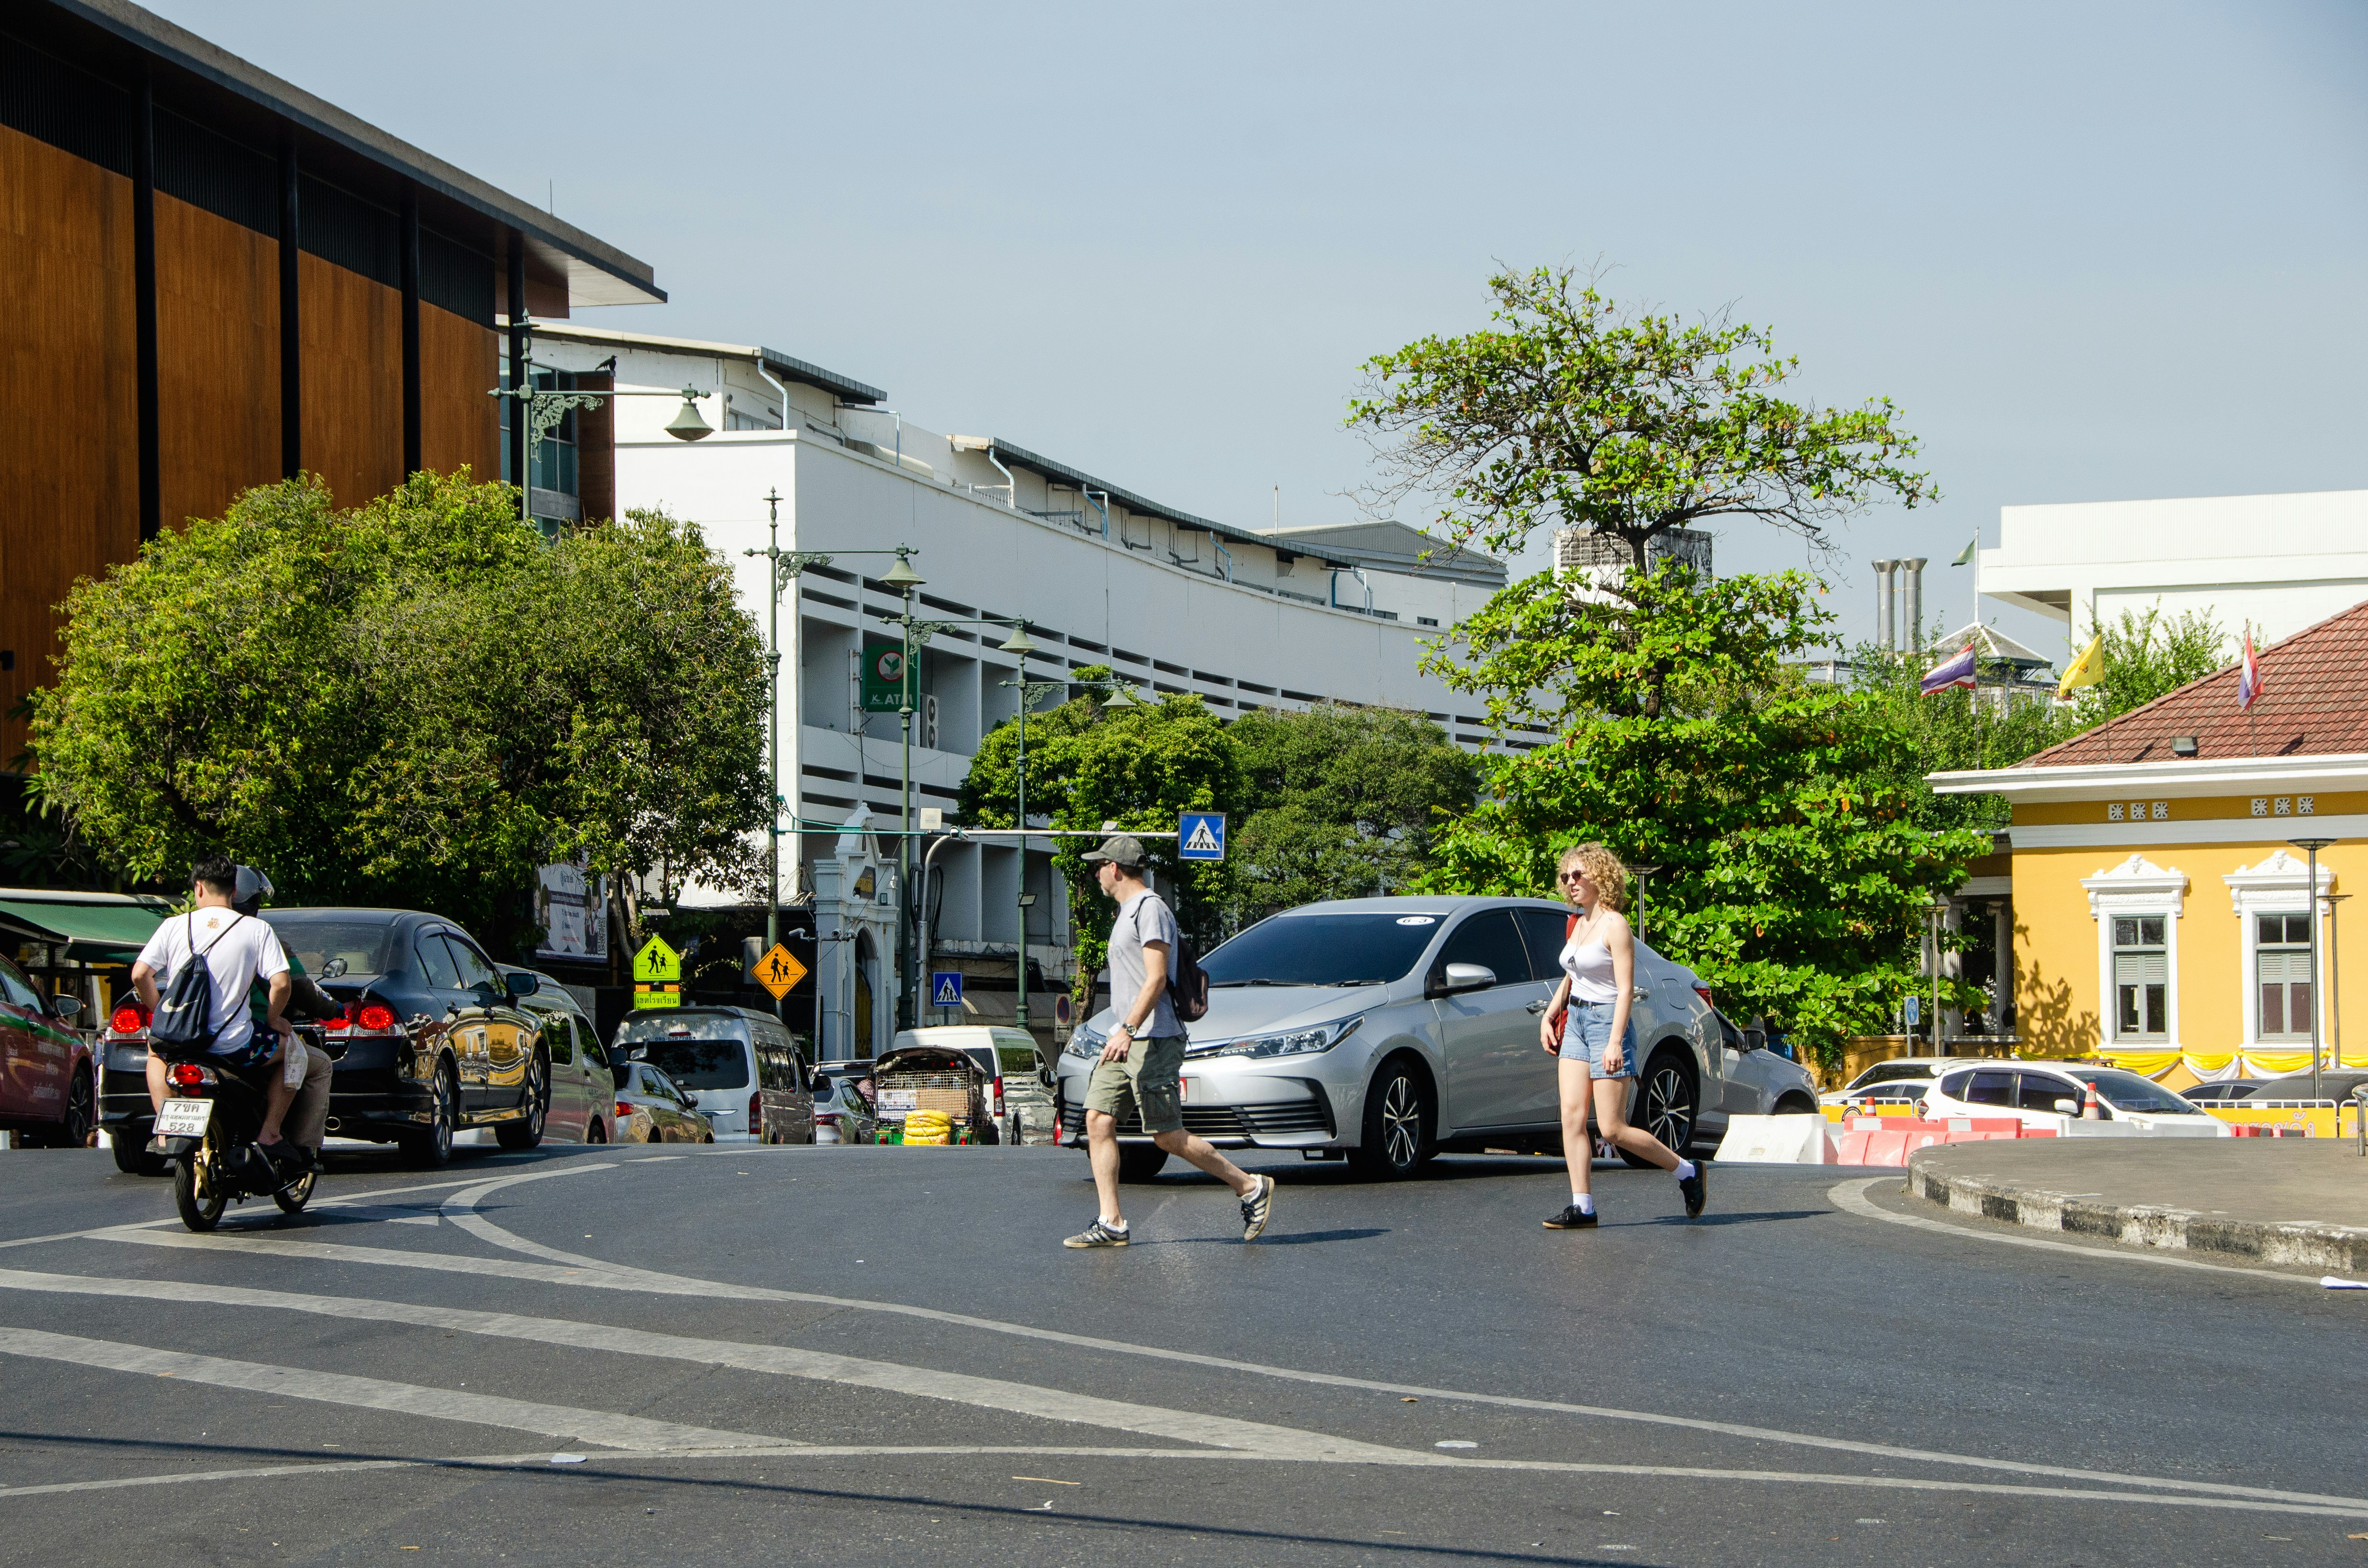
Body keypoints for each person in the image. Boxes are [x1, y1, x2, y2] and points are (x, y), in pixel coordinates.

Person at [1064, 834, 1275, 1248]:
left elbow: (1157, 978)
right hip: (1126, 1038)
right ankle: (1112, 1223)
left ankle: (1251, 1187)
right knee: (1098, 1120)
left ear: (1115, 868)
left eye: (1098, 866)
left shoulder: (1150, 909)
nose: (1095, 875)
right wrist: (1120, 1030)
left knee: (1166, 1135)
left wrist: (1128, 1030)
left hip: (1153, 1038)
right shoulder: (1125, 913)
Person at [1537, 843, 1704, 1228]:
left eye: (1578, 875)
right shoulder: (1578, 923)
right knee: (1572, 1117)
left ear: (1601, 876)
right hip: (1576, 1023)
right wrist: (1551, 1013)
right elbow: (1575, 973)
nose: (1571, 882)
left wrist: (1615, 1041)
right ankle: (1583, 1206)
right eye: (1566, 876)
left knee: (1612, 1128)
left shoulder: (1616, 925)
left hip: (1608, 1024)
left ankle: (1688, 1172)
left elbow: (1626, 989)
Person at [133, 855, 298, 1165]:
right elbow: (282, 983)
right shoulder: (256, 929)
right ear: (235, 891)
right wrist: (273, 1019)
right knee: (295, 1054)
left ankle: (166, 1132)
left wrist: (162, 1014)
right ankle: (271, 1133)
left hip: (181, 1041)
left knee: (155, 1055)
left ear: (198, 889)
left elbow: (140, 975)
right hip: (237, 1046)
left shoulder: (173, 926)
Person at [230, 866, 336, 1173]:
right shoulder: (261, 935)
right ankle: (288, 1140)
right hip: (243, 1038)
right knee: (313, 1062)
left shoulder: (184, 930)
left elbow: (143, 975)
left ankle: (163, 1132)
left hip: (187, 1036)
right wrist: (333, 1009)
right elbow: (295, 986)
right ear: (253, 903)